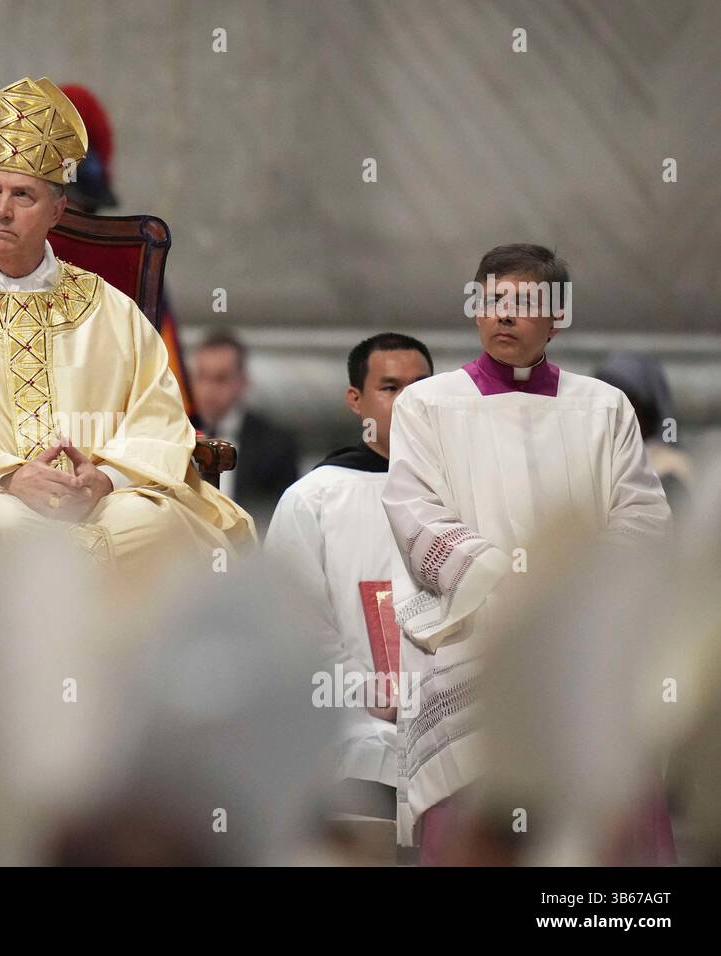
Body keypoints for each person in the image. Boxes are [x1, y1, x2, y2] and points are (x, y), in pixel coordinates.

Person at [0, 76, 253, 567]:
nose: (2, 211)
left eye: (22, 196)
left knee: (161, 527)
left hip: (100, 501)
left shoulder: (108, 308)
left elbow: (158, 413)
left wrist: (105, 479)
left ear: (57, 210)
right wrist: (10, 476)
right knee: (6, 531)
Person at [381, 244, 672, 861]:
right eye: (491, 301)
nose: (503, 316)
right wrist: (499, 583)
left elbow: (643, 518)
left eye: (522, 303)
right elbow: (415, 515)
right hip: (476, 636)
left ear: (557, 316)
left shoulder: (603, 408)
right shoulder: (428, 405)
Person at [265, 333, 432, 821]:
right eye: (391, 387)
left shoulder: (461, 490)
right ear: (355, 400)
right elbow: (294, 621)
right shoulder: (313, 498)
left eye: (421, 387)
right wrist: (365, 689)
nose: (408, 402)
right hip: (355, 720)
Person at [190, 330, 300, 534]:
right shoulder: (174, 435)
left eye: (220, 379)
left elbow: (280, 520)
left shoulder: (275, 444)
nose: (208, 389)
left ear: (242, 382)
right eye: (202, 377)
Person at [593, 352, 694, 513]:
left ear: (647, 409)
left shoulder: (669, 470)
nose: (611, 414)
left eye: (624, 403)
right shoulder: (596, 460)